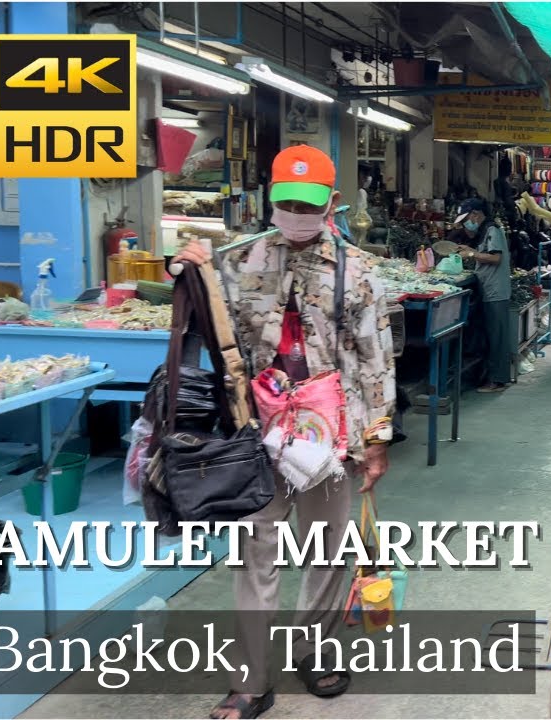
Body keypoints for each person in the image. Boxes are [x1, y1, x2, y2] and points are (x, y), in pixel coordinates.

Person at [176, 145, 396, 720]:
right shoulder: (237, 260)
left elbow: (376, 359)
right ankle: (251, 681)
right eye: (288, 201)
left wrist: (377, 438)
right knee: (255, 553)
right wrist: (188, 267)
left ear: (332, 203)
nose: (298, 211)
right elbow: (210, 326)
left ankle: (314, 652)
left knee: (327, 553)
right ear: (271, 199)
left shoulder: (358, 271)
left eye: (309, 202)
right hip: (257, 434)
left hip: (330, 436)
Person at [455, 198, 511, 393]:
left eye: (467, 219)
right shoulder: (484, 231)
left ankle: (498, 380)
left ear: (475, 214)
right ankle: (493, 376)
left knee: (497, 338)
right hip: (490, 288)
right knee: (492, 336)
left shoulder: (492, 229)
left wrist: (471, 254)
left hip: (496, 290)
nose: (466, 224)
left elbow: (496, 257)